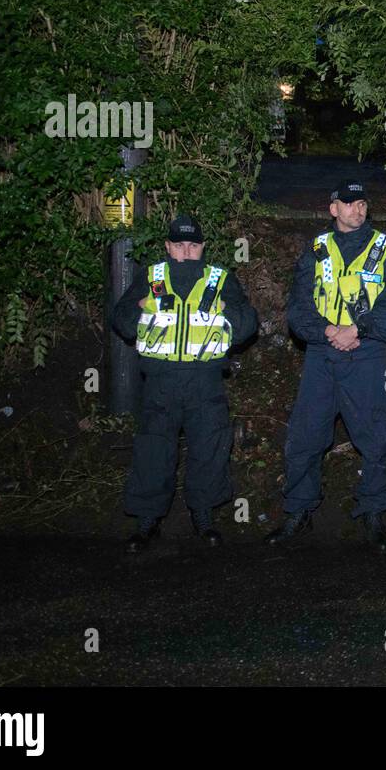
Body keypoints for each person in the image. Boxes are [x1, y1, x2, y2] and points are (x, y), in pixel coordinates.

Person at [266, 181, 386, 551]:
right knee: (305, 436)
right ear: (333, 209)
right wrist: (326, 330)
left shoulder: (384, 248)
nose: (356, 210)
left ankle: (374, 513)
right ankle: (299, 512)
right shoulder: (317, 249)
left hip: (365, 353)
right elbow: (298, 305)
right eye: (348, 204)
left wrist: (357, 329)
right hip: (322, 353)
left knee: (376, 436)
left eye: (362, 203)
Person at [112, 214, 258, 553]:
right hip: (160, 381)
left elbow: (249, 324)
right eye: (179, 245)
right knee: (153, 450)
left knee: (209, 449)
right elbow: (120, 320)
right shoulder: (151, 277)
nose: (186, 252)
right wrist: (140, 307)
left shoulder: (220, 279)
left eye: (193, 245)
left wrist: (225, 310)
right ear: (168, 246)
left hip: (205, 381)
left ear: (203, 248)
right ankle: (148, 521)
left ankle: (204, 517)